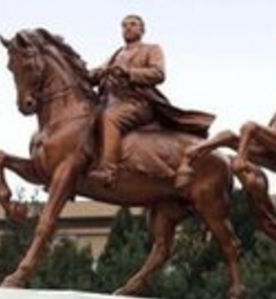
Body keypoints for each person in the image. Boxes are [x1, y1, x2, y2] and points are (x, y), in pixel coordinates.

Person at [88, 15, 215, 189]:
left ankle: (108, 171)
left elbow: (158, 73)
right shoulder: (116, 54)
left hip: (137, 103)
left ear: (142, 30)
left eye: (133, 24)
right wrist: (92, 74)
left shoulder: (151, 49)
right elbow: (99, 72)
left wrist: (129, 72)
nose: (128, 28)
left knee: (111, 118)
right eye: (124, 25)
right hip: (110, 100)